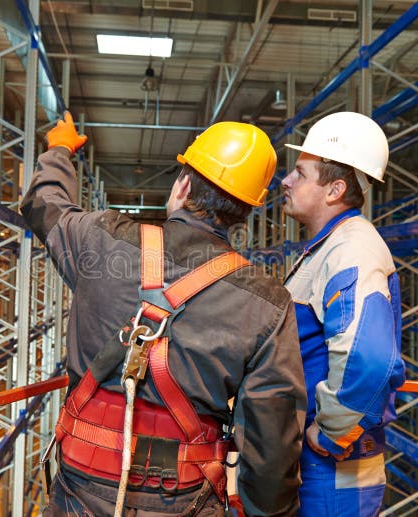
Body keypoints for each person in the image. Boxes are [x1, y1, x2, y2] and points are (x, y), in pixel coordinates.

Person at [21, 111, 306, 516]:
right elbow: (272, 444)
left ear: (183, 184)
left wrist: (59, 150)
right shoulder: (267, 301)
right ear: (246, 211)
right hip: (183, 499)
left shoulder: (100, 239)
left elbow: (43, 205)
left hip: (80, 493)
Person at [280, 112, 406, 516]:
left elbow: (369, 361)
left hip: (333, 470)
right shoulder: (329, 246)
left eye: (300, 173)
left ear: (334, 189)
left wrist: (331, 434)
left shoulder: (352, 249)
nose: (286, 181)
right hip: (315, 465)